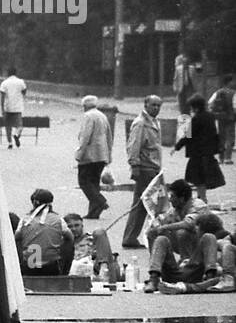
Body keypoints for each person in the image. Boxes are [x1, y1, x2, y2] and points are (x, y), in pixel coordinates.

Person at [142, 182, 221, 293]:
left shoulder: (198, 205)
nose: (170, 200)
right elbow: (162, 221)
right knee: (159, 238)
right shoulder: (175, 209)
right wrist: (155, 226)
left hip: (195, 267)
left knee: (205, 236)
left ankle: (209, 277)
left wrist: (165, 227)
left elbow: (188, 223)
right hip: (173, 273)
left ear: (182, 198)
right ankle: (154, 277)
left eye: (172, 196)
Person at [122, 95, 164, 249]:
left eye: (159, 105)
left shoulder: (154, 122)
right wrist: (135, 166)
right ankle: (130, 237)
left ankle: (132, 237)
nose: (156, 108)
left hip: (153, 168)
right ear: (145, 105)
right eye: (153, 105)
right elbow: (133, 146)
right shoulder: (140, 124)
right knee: (143, 204)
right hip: (145, 168)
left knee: (144, 204)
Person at [174, 93, 225, 202]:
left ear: (195, 106)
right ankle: (201, 197)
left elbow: (188, 136)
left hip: (197, 153)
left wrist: (177, 146)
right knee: (204, 177)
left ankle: (202, 199)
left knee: (198, 178)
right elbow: (215, 134)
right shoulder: (210, 116)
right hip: (208, 152)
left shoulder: (196, 119)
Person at [14, 189, 71, 276]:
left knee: (17, 241)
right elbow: (70, 238)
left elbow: (16, 237)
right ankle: (64, 272)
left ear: (33, 203)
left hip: (30, 264)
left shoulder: (25, 220)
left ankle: (20, 267)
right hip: (51, 264)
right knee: (68, 241)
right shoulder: (58, 219)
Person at [75, 95, 112, 219]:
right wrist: (108, 155)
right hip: (101, 154)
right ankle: (93, 212)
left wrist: (79, 154)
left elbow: (85, 136)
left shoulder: (88, 116)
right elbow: (109, 136)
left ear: (85, 106)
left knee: (84, 181)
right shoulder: (102, 116)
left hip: (89, 155)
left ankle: (100, 201)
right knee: (94, 183)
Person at [0, 67, 27, 149]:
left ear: (8, 73)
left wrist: (2, 109)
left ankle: (10, 143)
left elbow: (2, 97)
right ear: (15, 73)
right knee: (19, 125)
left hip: (8, 107)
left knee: (8, 126)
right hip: (18, 107)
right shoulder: (21, 82)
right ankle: (16, 134)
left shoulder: (4, 83)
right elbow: (24, 92)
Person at [210, 74, 235, 164]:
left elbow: (210, 103)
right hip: (230, 118)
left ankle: (221, 158)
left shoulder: (218, 92)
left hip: (220, 117)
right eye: (232, 81)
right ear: (229, 82)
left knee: (221, 137)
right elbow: (235, 107)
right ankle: (228, 158)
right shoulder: (233, 93)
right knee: (230, 137)